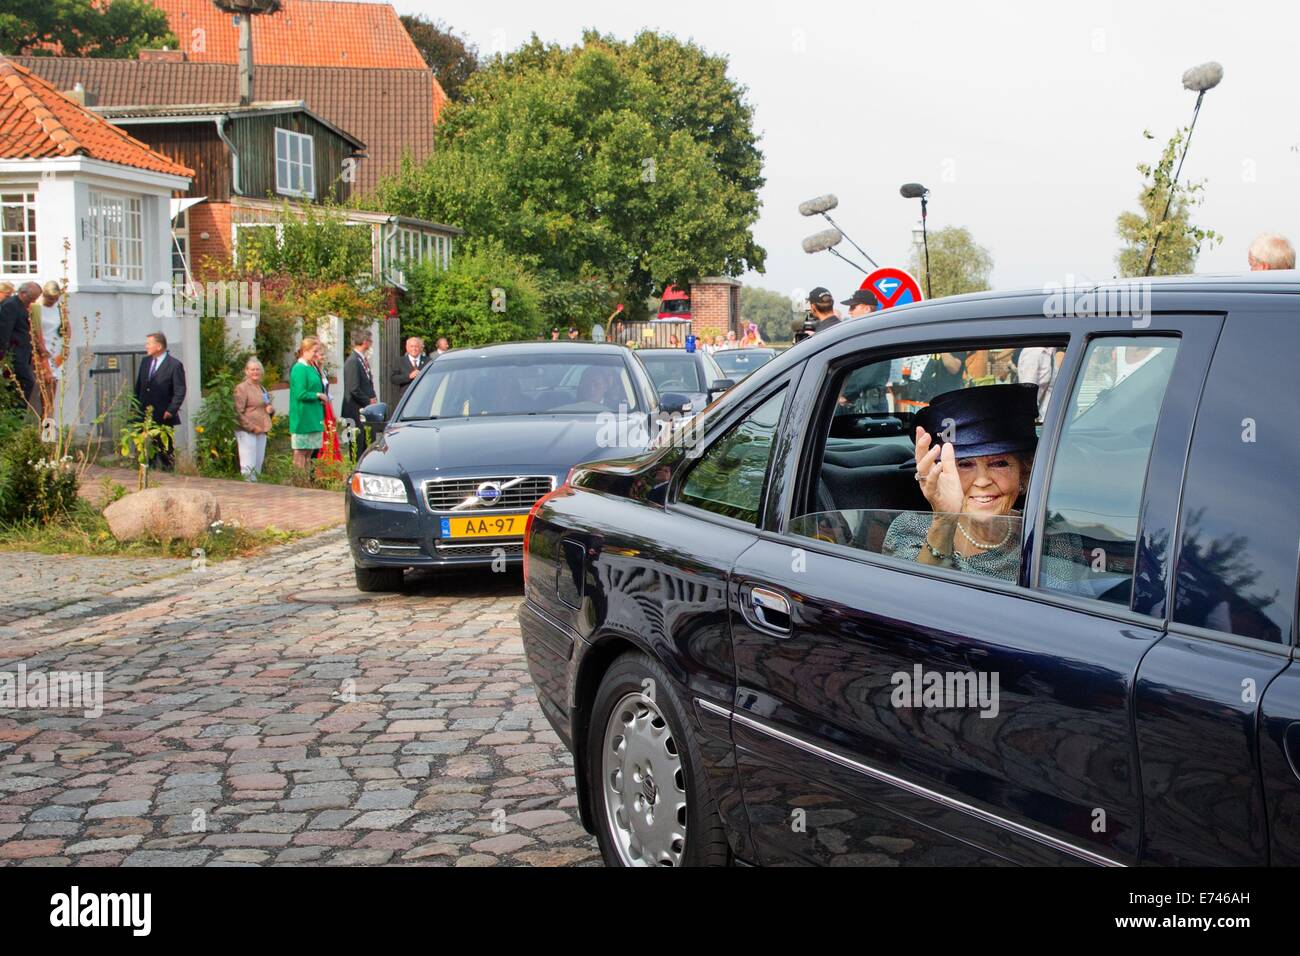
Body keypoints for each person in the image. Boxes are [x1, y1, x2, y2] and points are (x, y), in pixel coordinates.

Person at [883, 384, 1079, 585]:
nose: (983, 480)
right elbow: (913, 601)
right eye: (965, 464)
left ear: (1024, 472)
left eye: (999, 463)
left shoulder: (1050, 538)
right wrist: (945, 521)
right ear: (942, 472)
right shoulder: (911, 529)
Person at [134, 331, 186, 471]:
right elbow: (139, 387)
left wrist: (171, 410)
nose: (146, 346)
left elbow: (180, 390)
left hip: (163, 415)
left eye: (148, 344)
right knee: (145, 448)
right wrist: (135, 408)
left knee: (164, 450)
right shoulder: (145, 362)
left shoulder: (174, 365)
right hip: (145, 414)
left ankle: (167, 476)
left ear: (158, 346)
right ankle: (146, 475)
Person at [0, 281, 41, 409]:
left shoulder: (20, 305)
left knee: (18, 385)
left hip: (22, 354)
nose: (32, 302)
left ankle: (16, 413)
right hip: (14, 354)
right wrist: (3, 354)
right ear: (23, 294)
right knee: (26, 383)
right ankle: (18, 413)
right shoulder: (11, 305)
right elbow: (4, 330)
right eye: (31, 298)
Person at [289, 337, 328, 473]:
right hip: (303, 416)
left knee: (309, 454)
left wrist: (322, 397)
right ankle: (298, 481)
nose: (317, 354)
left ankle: (306, 482)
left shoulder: (312, 367)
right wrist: (317, 395)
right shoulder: (299, 368)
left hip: (314, 415)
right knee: (300, 453)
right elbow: (300, 393)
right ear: (305, 350)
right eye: (314, 351)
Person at [233, 357, 273, 481]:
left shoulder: (261, 388)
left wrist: (271, 410)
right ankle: (248, 493)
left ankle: (257, 492)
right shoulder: (242, 388)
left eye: (257, 369)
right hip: (247, 431)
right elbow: (237, 412)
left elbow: (264, 407)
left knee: (257, 465)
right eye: (252, 370)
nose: (255, 372)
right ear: (246, 371)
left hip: (261, 429)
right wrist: (251, 427)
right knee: (248, 467)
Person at [29, 280, 64, 413]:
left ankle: (48, 429)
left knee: (52, 393)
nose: (53, 301)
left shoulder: (60, 307)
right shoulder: (36, 308)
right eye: (50, 298)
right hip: (42, 352)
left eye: (55, 298)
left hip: (57, 351)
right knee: (44, 392)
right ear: (44, 294)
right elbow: (35, 332)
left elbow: (66, 329)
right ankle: (44, 428)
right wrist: (43, 353)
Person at [342, 329, 377, 455]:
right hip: (354, 410)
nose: (371, 344)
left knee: (368, 442)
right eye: (370, 341)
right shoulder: (353, 361)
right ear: (365, 342)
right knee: (357, 444)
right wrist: (368, 400)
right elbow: (353, 388)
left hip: (363, 410)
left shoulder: (361, 359)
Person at [390, 335, 428, 400]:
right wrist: (409, 376)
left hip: (425, 397)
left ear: (420, 348)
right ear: (407, 348)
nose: (414, 349)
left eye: (416, 346)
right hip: (407, 399)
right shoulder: (400, 361)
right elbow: (393, 379)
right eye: (411, 346)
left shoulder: (428, 361)